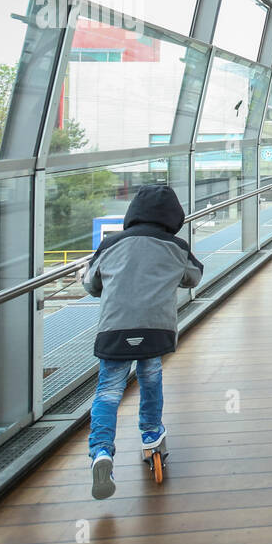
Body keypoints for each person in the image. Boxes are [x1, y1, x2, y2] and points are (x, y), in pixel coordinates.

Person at [81, 185, 203, 499]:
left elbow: (91, 283)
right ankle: (151, 436)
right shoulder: (175, 245)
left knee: (108, 391)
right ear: (174, 216)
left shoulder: (111, 243)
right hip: (155, 330)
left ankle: (102, 452)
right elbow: (194, 276)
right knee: (151, 379)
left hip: (115, 331)